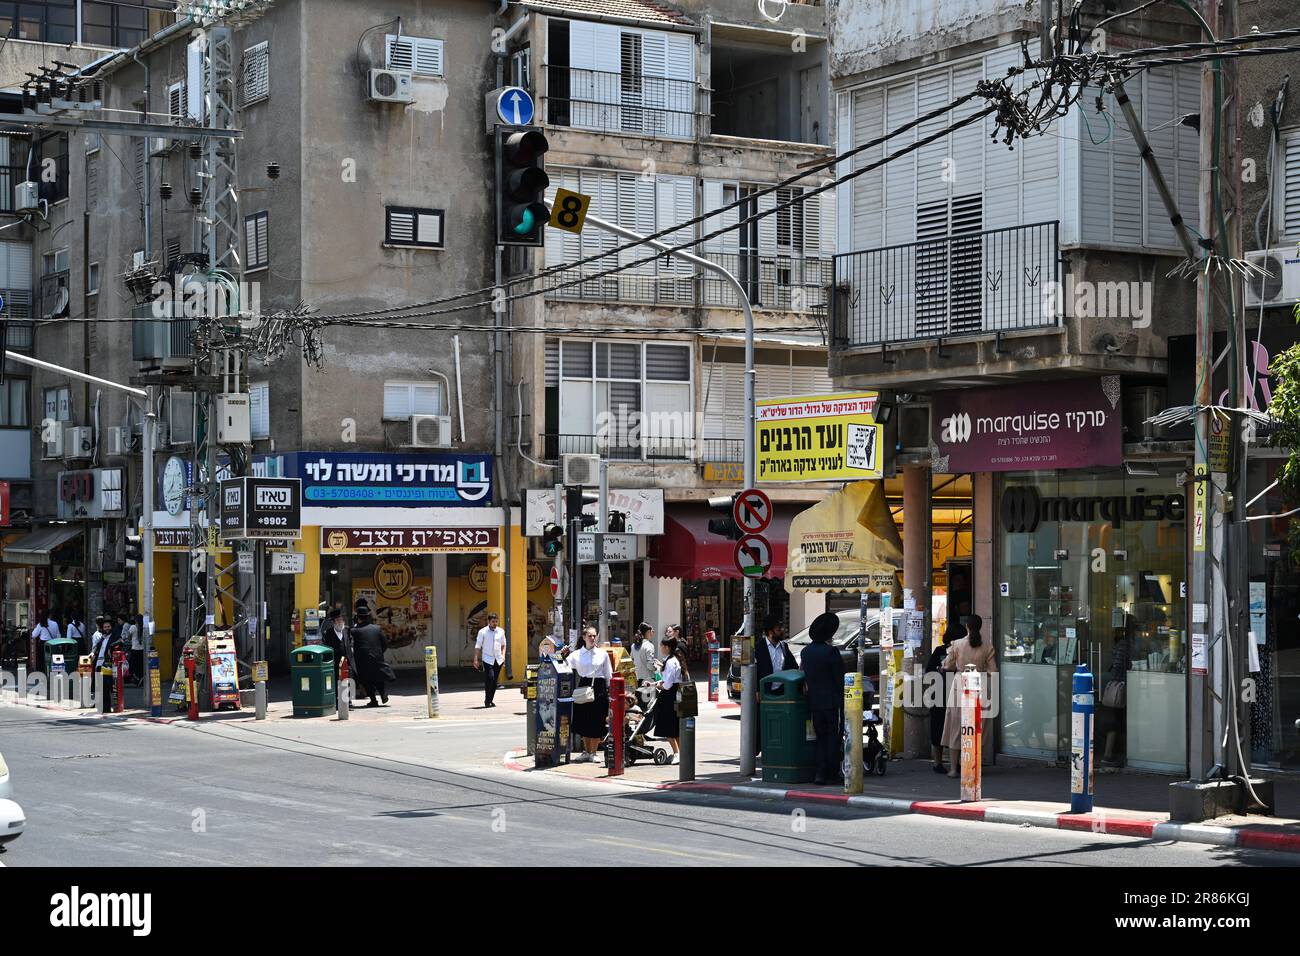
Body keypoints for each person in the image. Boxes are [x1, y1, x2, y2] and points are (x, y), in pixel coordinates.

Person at [941, 613, 998, 778]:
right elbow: (993, 670)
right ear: (980, 627)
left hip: (961, 685)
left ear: (966, 626)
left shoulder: (956, 644)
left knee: (956, 726)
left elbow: (948, 665)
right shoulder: (987, 647)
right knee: (977, 728)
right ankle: (973, 767)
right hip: (980, 686)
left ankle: (953, 768)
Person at [801, 612, 846, 785]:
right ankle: (832, 774)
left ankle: (819, 773)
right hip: (833, 703)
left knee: (820, 738)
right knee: (833, 738)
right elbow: (839, 678)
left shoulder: (806, 652)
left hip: (814, 703)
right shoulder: (831, 652)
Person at [565, 627, 612, 761]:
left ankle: (594, 752)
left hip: (599, 687)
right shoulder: (577, 654)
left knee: (597, 719)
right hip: (584, 686)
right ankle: (586, 751)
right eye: (589, 636)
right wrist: (560, 654)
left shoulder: (602, 654)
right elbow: (565, 665)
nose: (592, 638)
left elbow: (608, 673)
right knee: (584, 719)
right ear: (584, 637)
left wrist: (609, 690)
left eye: (594, 636)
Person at [753, 614, 796, 758]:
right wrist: (757, 690)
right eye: (779, 628)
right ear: (770, 631)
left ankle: (777, 747)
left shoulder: (784, 646)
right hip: (764, 692)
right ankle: (759, 749)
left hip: (781, 692)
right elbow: (754, 671)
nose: (782, 630)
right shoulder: (758, 647)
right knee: (762, 723)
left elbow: (792, 666)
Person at [926, 619, 964, 773]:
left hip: (946, 693)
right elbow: (929, 671)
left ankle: (943, 762)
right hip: (944, 693)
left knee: (948, 727)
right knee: (943, 726)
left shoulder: (955, 651)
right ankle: (943, 762)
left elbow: (929, 672)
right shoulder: (941, 651)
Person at [349, 599, 394, 708]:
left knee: (366, 680)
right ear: (367, 616)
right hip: (377, 657)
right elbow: (385, 643)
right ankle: (383, 694)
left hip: (362, 660)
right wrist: (379, 652)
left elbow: (350, 645)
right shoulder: (376, 628)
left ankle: (373, 700)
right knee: (378, 676)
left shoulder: (354, 631)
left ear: (358, 617)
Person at [653, 636, 690, 762]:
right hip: (676, 694)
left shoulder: (670, 662)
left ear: (667, 647)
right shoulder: (676, 659)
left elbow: (667, 684)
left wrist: (658, 685)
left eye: (662, 646)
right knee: (675, 725)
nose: (661, 648)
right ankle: (682, 753)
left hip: (669, 696)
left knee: (667, 726)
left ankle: (676, 753)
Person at [473, 611, 507, 708]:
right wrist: (476, 659)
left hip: (498, 659)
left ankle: (490, 700)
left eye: (496, 621)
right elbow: (478, 646)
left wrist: (503, 656)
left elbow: (504, 644)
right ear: (488, 621)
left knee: (495, 681)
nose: (495, 623)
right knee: (490, 678)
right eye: (493, 621)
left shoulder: (501, 631)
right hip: (487, 658)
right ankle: (487, 700)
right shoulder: (482, 632)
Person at [89, 616, 120, 706]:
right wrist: (92, 653)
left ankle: (109, 706)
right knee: (99, 686)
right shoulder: (102, 637)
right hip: (98, 664)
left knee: (107, 686)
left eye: (108, 627)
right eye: (105, 627)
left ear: (111, 627)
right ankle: (101, 705)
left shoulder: (115, 636)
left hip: (107, 665)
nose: (106, 629)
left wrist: (111, 647)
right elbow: (96, 648)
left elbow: (120, 641)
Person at [320, 609, 353, 692]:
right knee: (335, 681)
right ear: (333, 622)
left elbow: (350, 641)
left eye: (341, 619)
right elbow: (325, 647)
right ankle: (336, 699)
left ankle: (347, 700)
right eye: (338, 620)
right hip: (335, 661)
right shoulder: (327, 633)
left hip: (346, 661)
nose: (340, 622)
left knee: (347, 680)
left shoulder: (347, 630)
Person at [118, 613, 141, 687]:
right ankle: (141, 678)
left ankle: (136, 678)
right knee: (140, 664)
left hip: (135, 648)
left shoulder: (133, 627)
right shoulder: (144, 627)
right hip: (142, 649)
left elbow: (128, 637)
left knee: (133, 665)